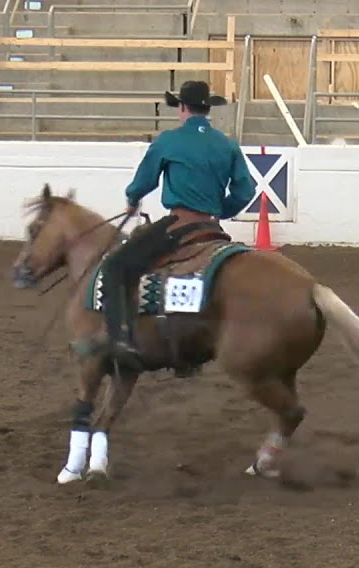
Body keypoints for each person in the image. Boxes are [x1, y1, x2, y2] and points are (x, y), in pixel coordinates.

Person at [99, 79, 257, 370]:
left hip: (177, 225)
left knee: (116, 266)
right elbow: (245, 192)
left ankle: (121, 338)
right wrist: (220, 210)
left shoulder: (168, 141)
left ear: (182, 107)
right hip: (212, 227)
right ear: (206, 109)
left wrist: (132, 199)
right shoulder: (227, 144)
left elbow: (143, 182)